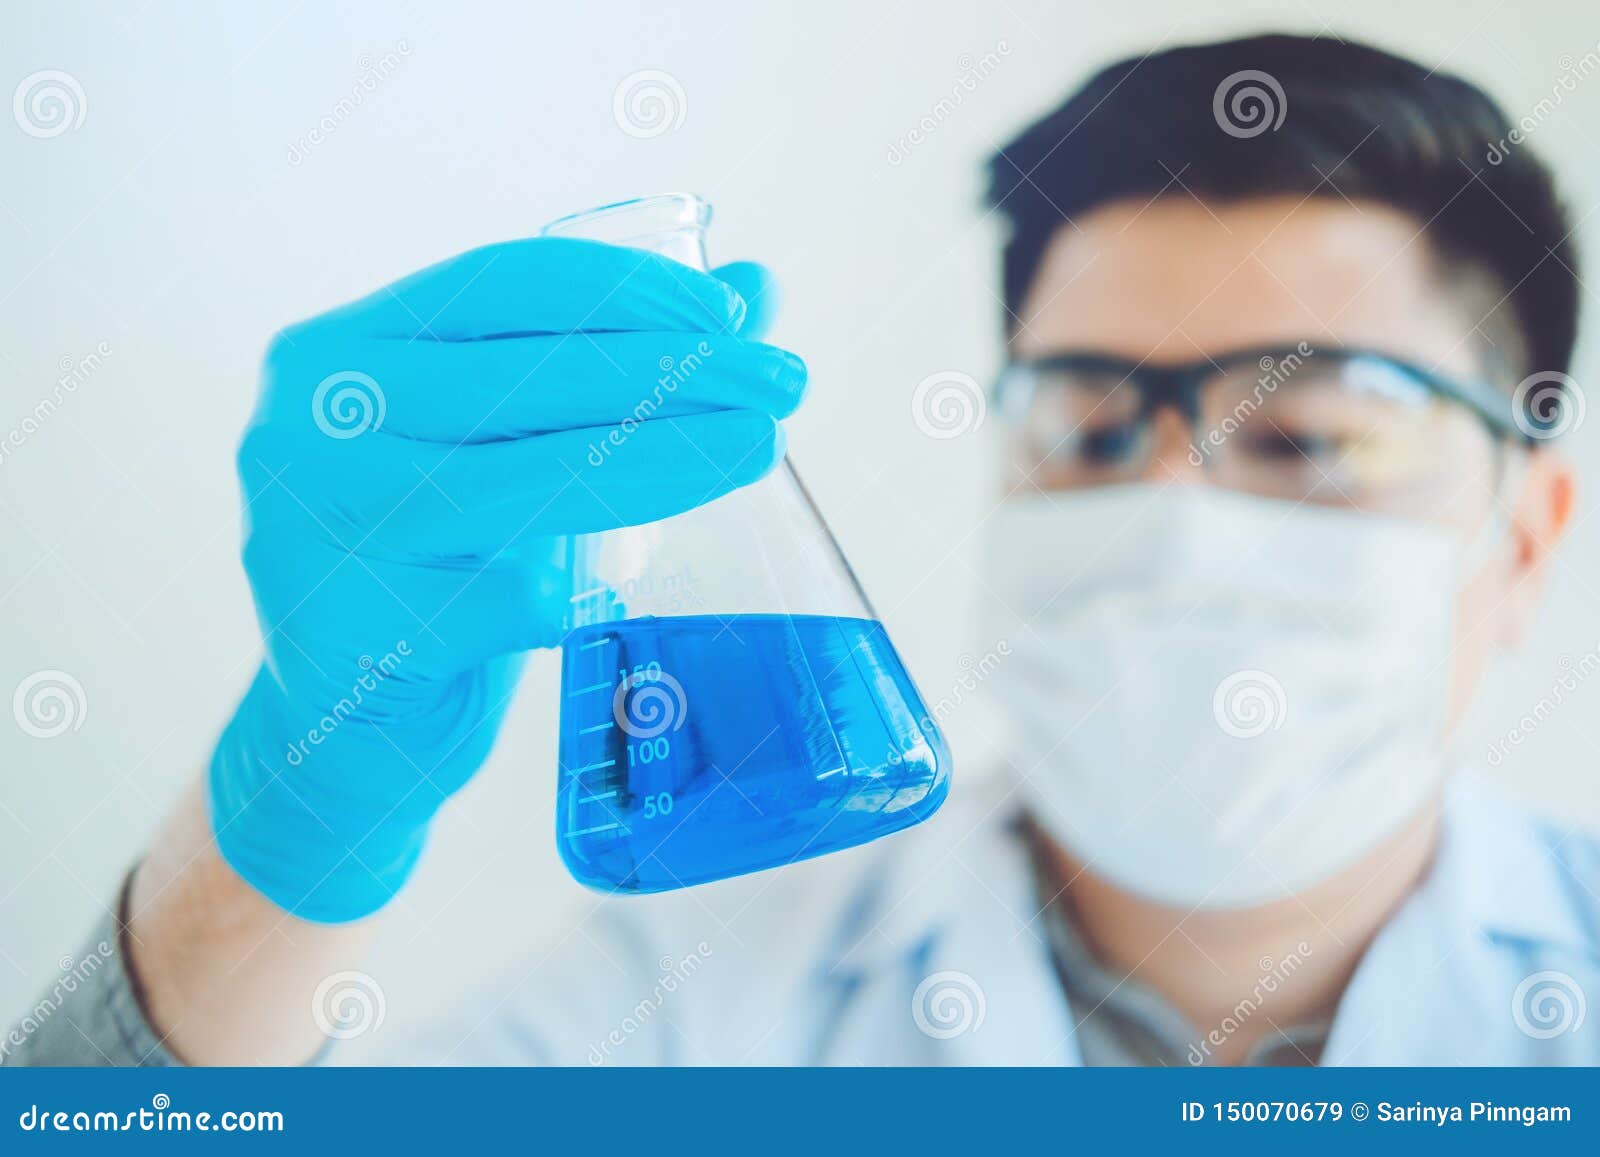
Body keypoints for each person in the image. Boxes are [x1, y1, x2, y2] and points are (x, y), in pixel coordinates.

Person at [8, 32, 1599, 1068]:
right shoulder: (682, 999)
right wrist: (298, 813)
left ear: (1526, 540)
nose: (1178, 516)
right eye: (1093, 427)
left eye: (1308, 437)